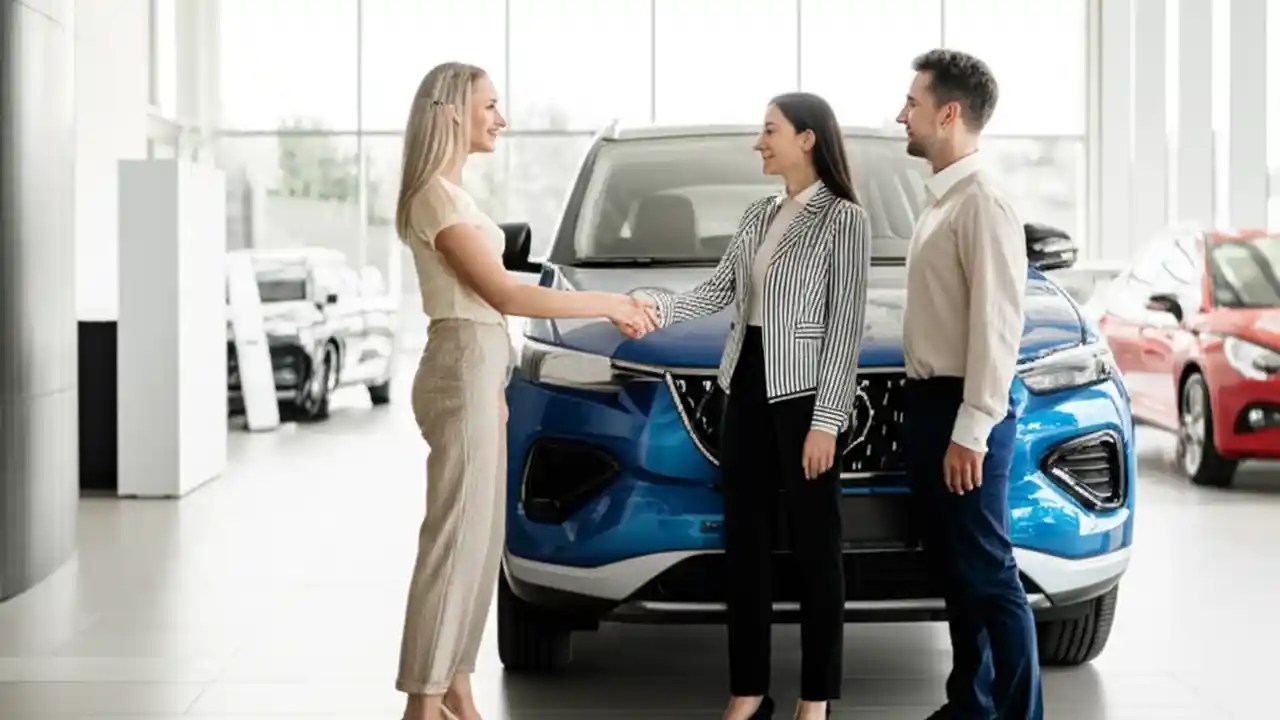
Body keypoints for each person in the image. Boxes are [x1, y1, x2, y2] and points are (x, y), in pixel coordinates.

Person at [391, 62, 657, 720]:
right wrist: (611, 305)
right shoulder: (434, 197)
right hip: (460, 361)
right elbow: (504, 293)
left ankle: (455, 683)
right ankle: (424, 700)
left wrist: (499, 379)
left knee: (482, 542)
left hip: (479, 364)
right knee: (453, 540)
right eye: (490, 105)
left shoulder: (456, 195)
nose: (500, 118)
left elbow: (491, 311)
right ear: (452, 110)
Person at [633, 92, 871, 720]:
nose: (759, 142)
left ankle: (815, 698)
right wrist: (654, 308)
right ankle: (748, 691)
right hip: (744, 388)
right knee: (746, 544)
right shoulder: (759, 213)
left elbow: (844, 327)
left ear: (807, 139)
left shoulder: (842, 219)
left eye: (769, 131)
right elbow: (719, 290)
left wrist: (827, 421)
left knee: (818, 549)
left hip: (804, 399)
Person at [896, 49, 1044, 719]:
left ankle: (1019, 713)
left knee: (989, 573)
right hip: (932, 404)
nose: (903, 115)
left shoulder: (984, 201)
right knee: (961, 573)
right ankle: (972, 707)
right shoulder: (945, 199)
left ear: (948, 114)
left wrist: (972, 428)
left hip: (964, 408)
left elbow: (997, 326)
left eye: (913, 104)